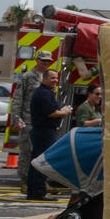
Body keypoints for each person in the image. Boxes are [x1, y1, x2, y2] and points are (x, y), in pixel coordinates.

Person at [9, 49, 54, 194]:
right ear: (37, 60)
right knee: (27, 152)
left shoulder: (49, 77)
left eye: (48, 61)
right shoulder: (27, 77)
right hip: (28, 121)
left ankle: (39, 182)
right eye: (43, 60)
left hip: (42, 122)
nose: (46, 63)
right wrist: (16, 119)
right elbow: (18, 99)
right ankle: (24, 181)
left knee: (41, 153)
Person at [26, 69, 72, 201]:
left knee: (37, 161)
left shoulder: (46, 92)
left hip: (43, 131)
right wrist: (64, 112)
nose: (55, 81)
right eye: (52, 78)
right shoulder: (43, 94)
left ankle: (34, 192)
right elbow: (51, 113)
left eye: (56, 78)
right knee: (42, 162)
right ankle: (38, 193)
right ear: (44, 79)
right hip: (44, 132)